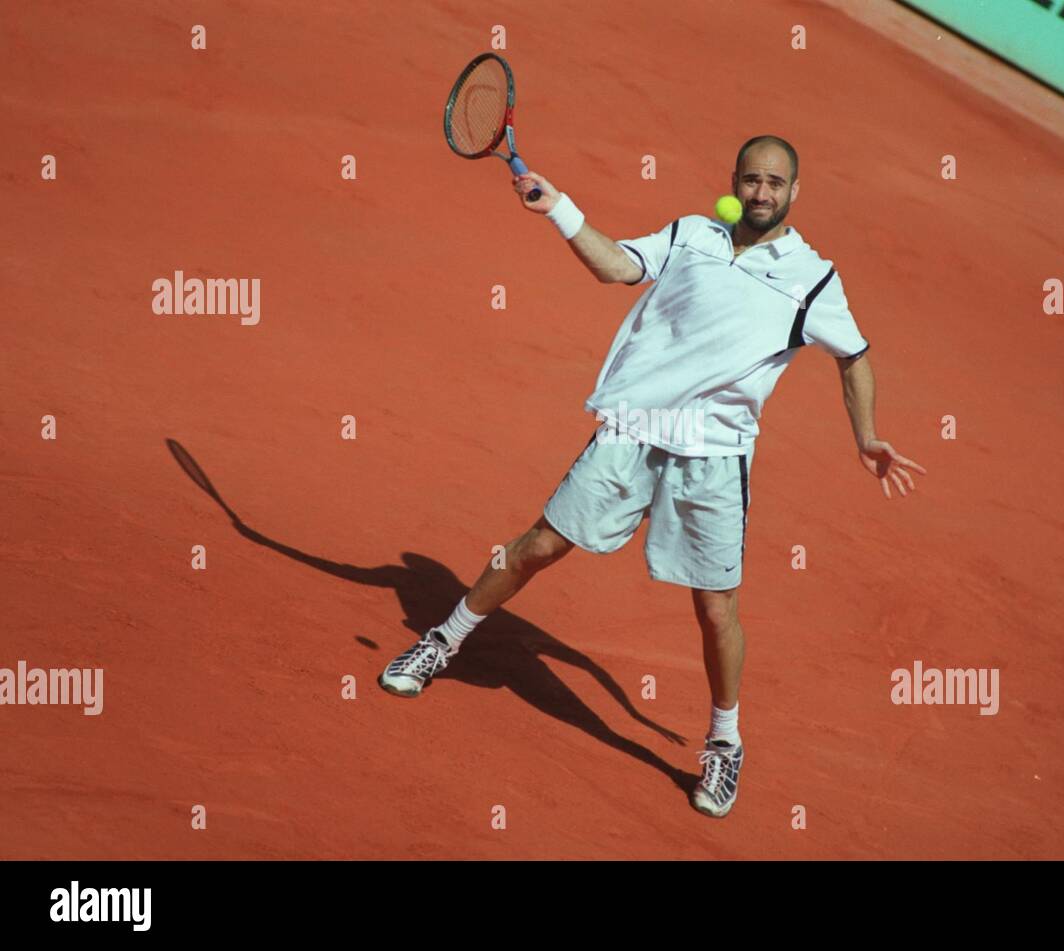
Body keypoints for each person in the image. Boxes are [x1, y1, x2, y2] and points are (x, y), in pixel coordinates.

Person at [379, 135, 927, 818]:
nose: (761, 193)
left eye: (775, 183)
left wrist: (866, 434)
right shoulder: (692, 233)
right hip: (633, 429)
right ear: (735, 181)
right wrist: (560, 209)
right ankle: (443, 640)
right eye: (751, 180)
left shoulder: (813, 278)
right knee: (539, 545)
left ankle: (724, 741)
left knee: (715, 606)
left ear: (795, 192)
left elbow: (855, 356)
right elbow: (617, 266)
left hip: (715, 457)